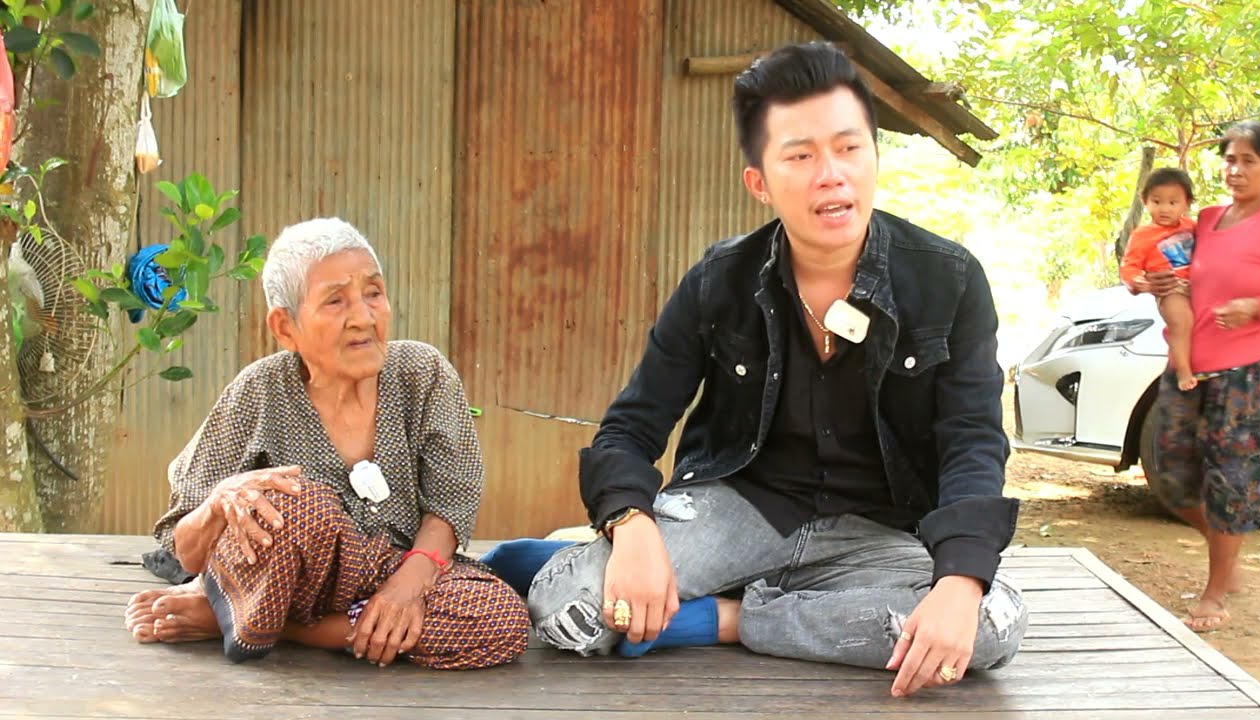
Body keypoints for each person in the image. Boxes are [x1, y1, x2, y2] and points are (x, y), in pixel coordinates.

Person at [503, 42, 1028, 698]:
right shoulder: (718, 280)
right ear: (760, 181)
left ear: (874, 154)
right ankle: (592, 566)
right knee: (568, 605)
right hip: (741, 508)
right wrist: (632, 526)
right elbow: (632, 427)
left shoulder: (947, 280)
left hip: (882, 528)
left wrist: (957, 582)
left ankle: (731, 616)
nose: (831, 174)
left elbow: (974, 442)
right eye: (801, 156)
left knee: (990, 623)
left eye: (849, 148)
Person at [123, 218, 528, 669]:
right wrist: (221, 500)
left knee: (501, 619)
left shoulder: (423, 373)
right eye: (336, 301)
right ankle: (271, 612)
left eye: (373, 293)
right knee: (296, 501)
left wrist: (405, 588)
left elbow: (450, 501)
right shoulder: (261, 390)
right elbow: (186, 549)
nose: (364, 317)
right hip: (293, 581)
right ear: (285, 327)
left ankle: (242, 620)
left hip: (393, 566)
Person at [1144, 121, 1260, 633]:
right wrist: (1158, 282)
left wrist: (1258, 307)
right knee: (1174, 476)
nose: (1236, 169)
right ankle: (1227, 551)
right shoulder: (1205, 218)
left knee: (1232, 481)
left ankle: (1216, 590)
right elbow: (1179, 273)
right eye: (1229, 158)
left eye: (1249, 160)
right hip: (1187, 367)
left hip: (1247, 373)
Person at [1121, 168, 1199, 390]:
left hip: (1194, 287)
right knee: (1181, 322)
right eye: (1156, 201)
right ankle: (1183, 372)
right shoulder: (1142, 235)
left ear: (1187, 203)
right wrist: (1140, 283)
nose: (1164, 208)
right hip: (1170, 290)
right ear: (1144, 200)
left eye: (1173, 202)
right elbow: (1129, 267)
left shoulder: (1191, 227)